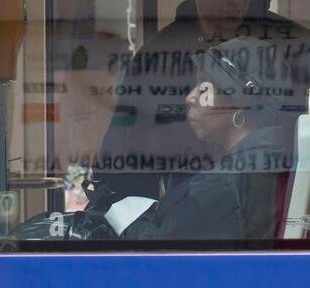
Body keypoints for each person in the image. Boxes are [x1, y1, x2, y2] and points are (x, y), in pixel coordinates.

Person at [97, 0, 310, 200]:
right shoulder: (161, 53)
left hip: (272, 209)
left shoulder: (293, 43)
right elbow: (125, 147)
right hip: (191, 214)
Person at [117, 37, 296, 240]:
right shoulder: (278, 159)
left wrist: (126, 220)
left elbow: (160, 254)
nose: (190, 98)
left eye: (204, 88)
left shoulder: (221, 185)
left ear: (239, 105)